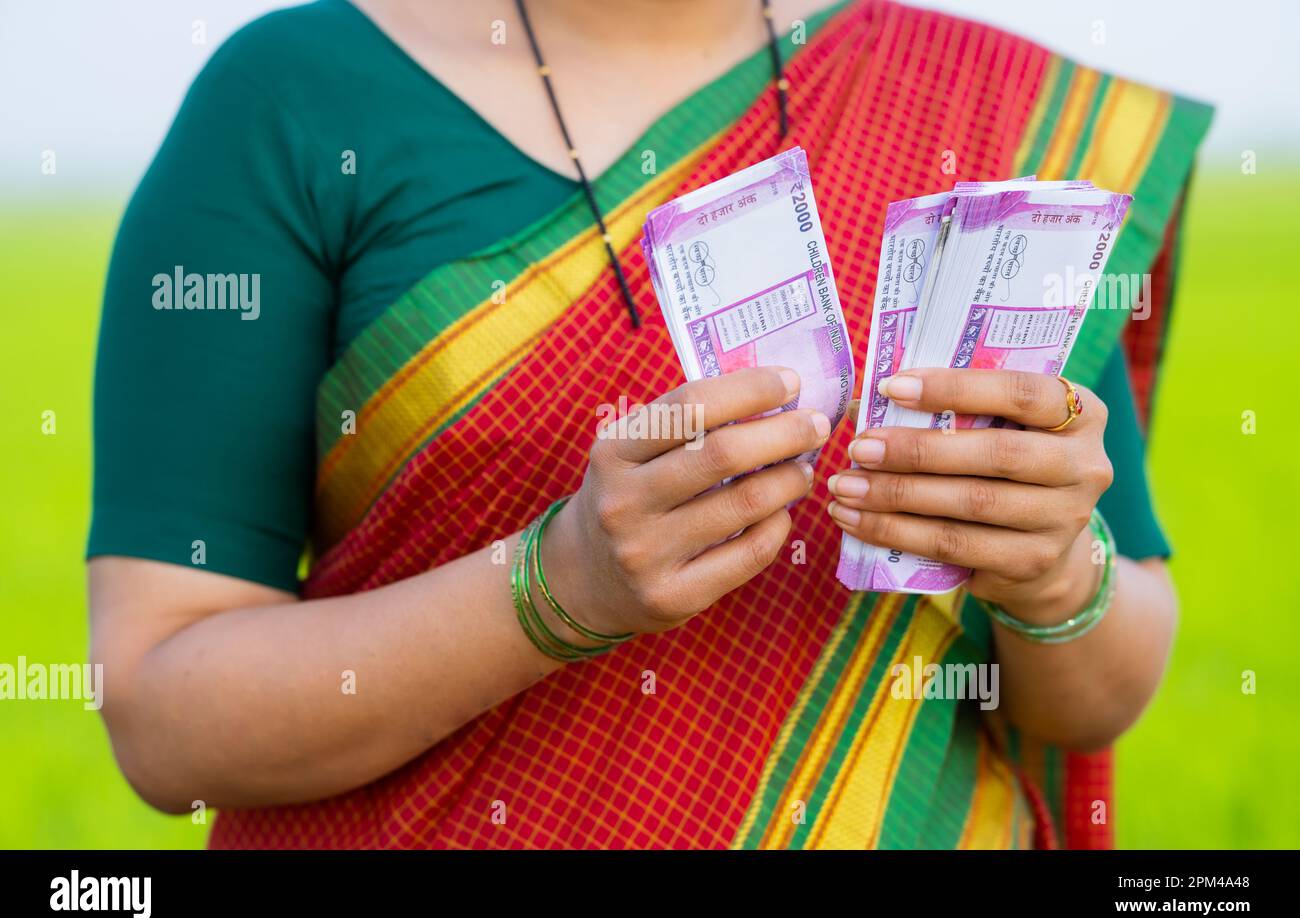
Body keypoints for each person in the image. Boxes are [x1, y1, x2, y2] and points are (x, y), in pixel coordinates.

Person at [87, 0, 1210, 848]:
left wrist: (1054, 576)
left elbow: (1101, 686)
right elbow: (163, 710)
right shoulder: (296, 100)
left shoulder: (990, 112)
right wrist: (556, 586)